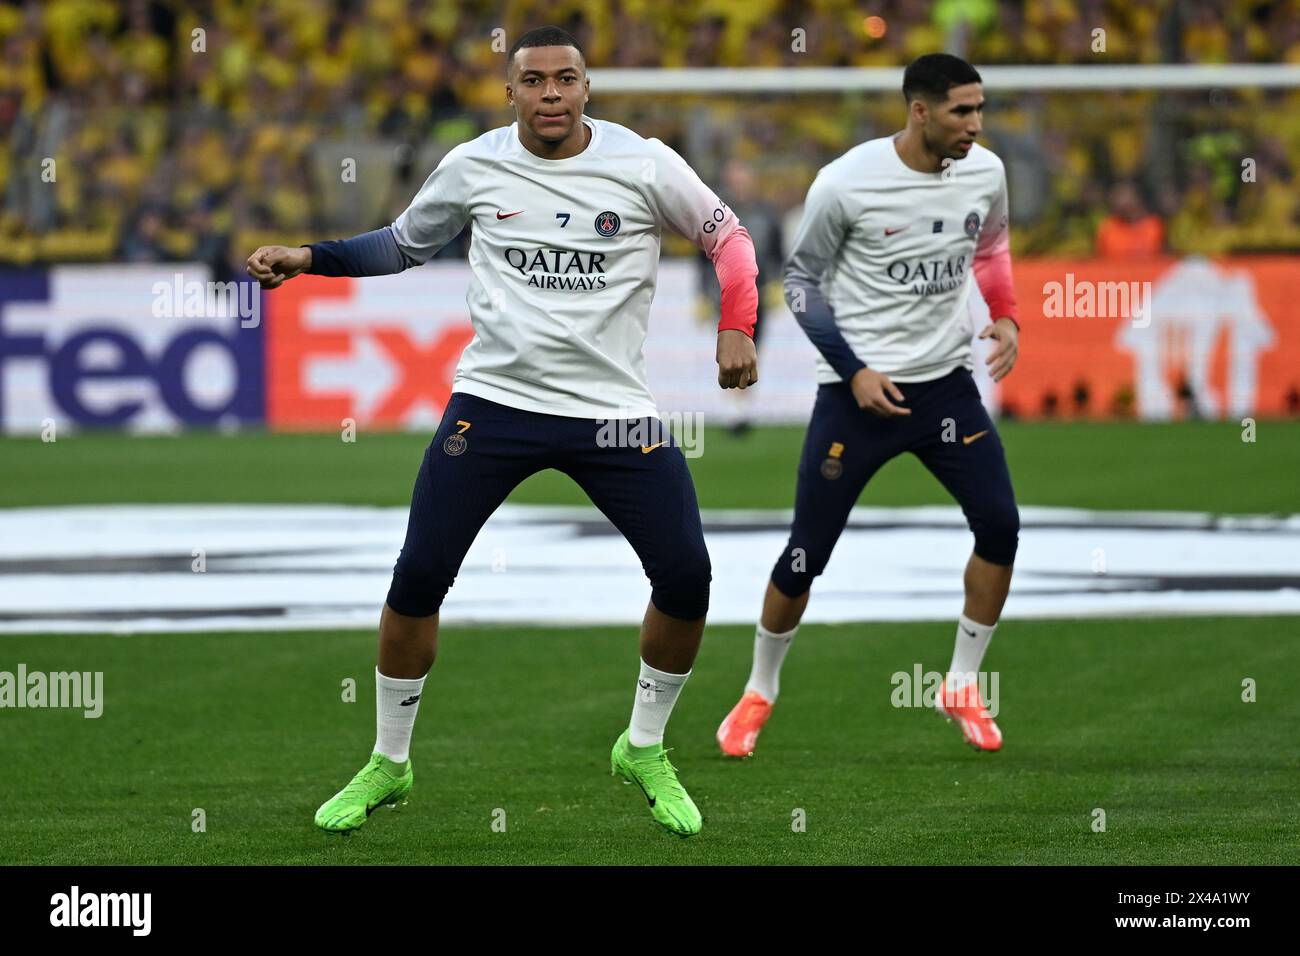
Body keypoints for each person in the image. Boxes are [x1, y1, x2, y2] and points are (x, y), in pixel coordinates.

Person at [246, 26, 759, 838]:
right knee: (418, 576)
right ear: (509, 93)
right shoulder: (476, 165)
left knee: (687, 575)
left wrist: (738, 322)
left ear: (588, 89)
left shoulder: (644, 162)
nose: (551, 94)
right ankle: (389, 761)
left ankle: (645, 746)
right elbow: (401, 245)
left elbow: (728, 239)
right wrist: (309, 257)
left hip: (613, 413)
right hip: (494, 404)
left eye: (566, 79)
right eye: (534, 81)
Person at [717, 53, 1020, 757]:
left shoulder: (986, 172)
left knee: (1000, 526)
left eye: (980, 110)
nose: (975, 125)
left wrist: (1004, 315)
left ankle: (962, 684)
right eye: (961, 112)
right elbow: (800, 285)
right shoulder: (848, 183)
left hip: (946, 388)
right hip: (857, 398)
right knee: (805, 555)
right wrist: (853, 371)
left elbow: (992, 247)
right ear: (919, 111)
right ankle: (760, 689)